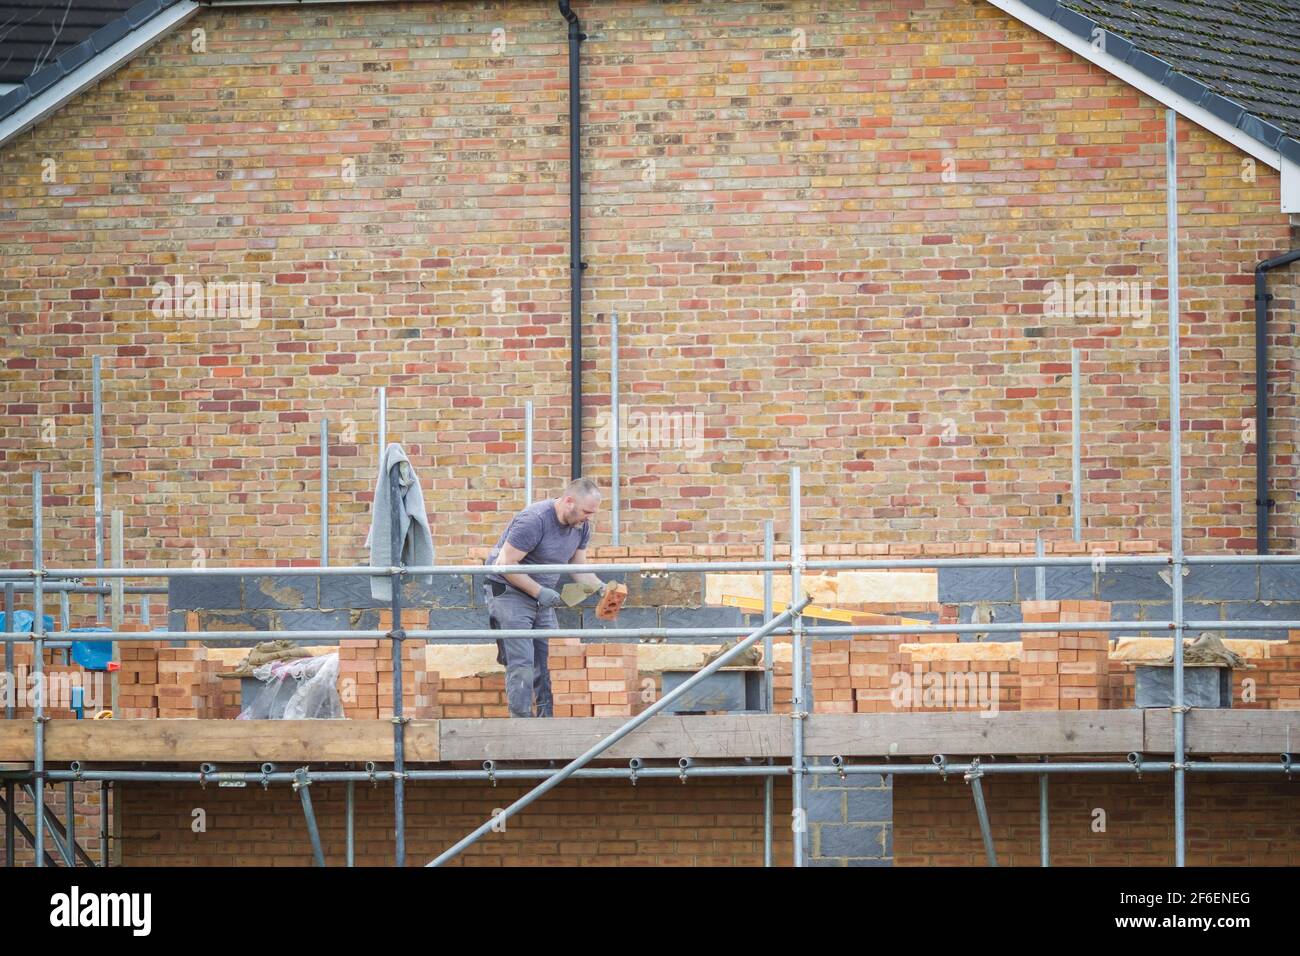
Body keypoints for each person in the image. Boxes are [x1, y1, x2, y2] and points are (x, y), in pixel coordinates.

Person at [483, 477, 610, 717]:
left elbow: (578, 566)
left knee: (548, 658)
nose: (588, 518)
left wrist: (601, 587)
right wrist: (539, 591)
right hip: (509, 593)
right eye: (586, 512)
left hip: (540, 597)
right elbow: (504, 564)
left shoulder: (581, 526)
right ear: (569, 501)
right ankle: (521, 724)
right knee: (522, 661)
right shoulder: (535, 520)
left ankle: (546, 723)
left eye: (592, 513)